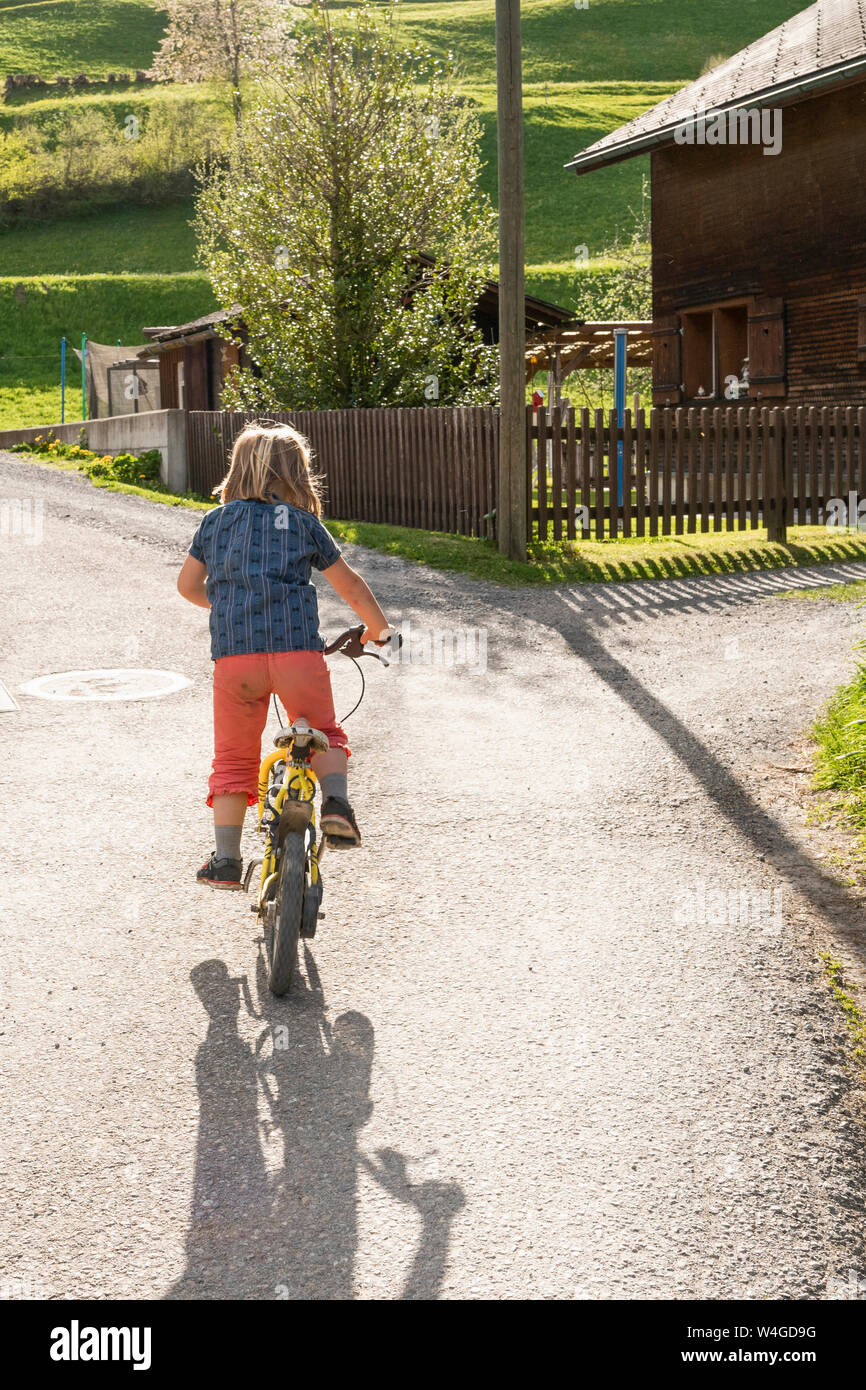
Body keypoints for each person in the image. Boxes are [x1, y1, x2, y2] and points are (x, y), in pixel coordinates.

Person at [177, 420, 390, 889]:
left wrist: (233, 604)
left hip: (236, 662)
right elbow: (350, 586)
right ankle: (336, 806)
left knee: (233, 759)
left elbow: (188, 587)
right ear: (297, 474)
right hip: (297, 655)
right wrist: (380, 630)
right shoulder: (301, 523)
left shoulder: (214, 522)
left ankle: (227, 862)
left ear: (237, 471)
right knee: (326, 734)